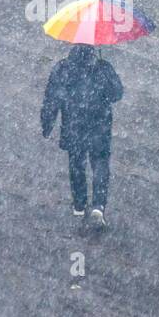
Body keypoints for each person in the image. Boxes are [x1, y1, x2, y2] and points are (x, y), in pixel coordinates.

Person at [41, 44, 123, 226]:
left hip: (73, 126)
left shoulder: (62, 68)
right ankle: (98, 206)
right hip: (99, 126)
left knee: (76, 164)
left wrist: (47, 124)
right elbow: (117, 94)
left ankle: (79, 204)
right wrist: (105, 74)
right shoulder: (103, 68)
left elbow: (51, 99)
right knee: (100, 164)